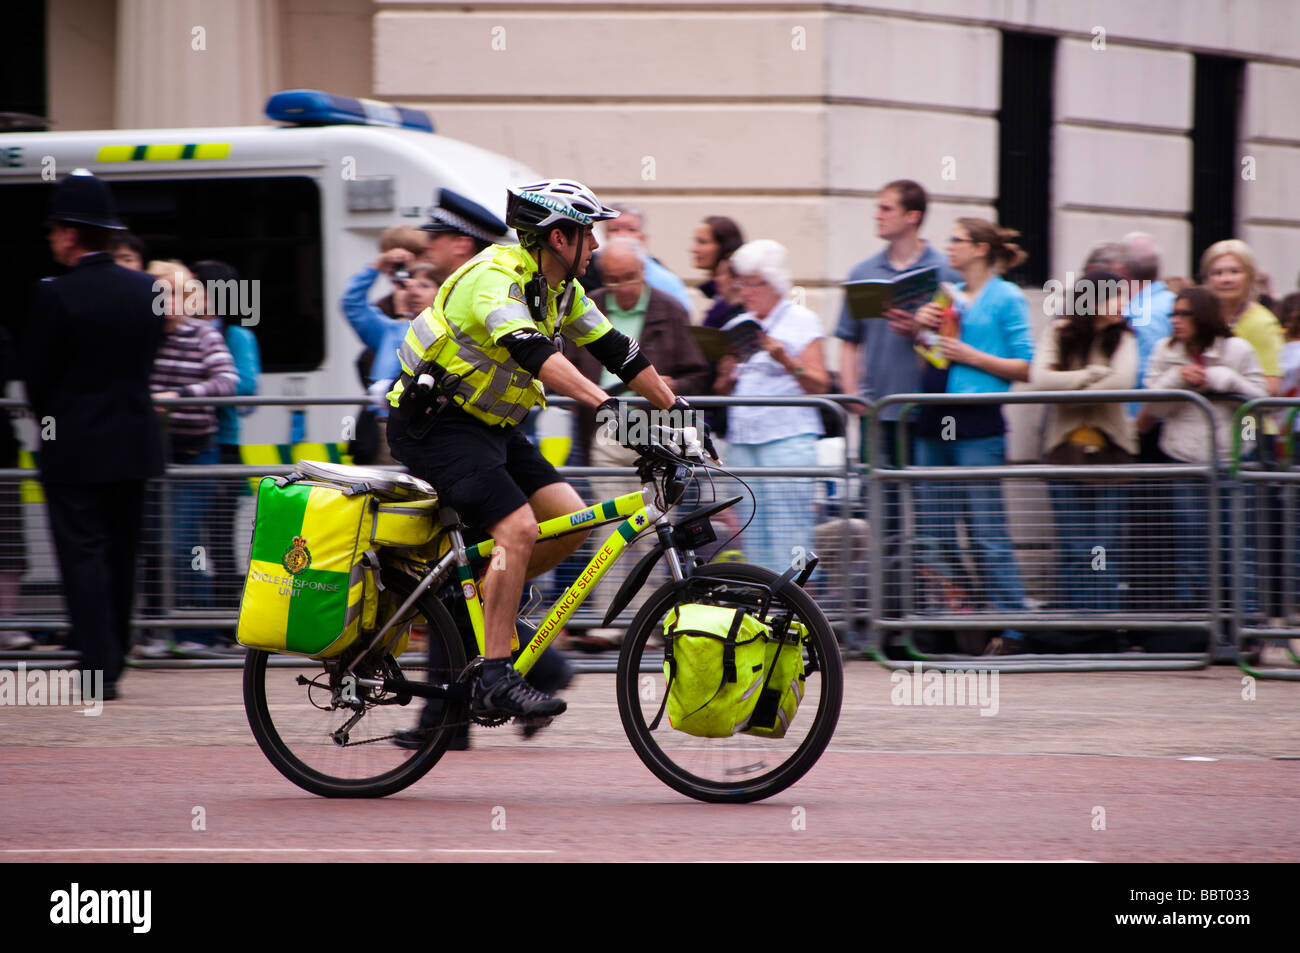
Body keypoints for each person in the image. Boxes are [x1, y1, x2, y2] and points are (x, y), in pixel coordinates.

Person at [385, 178, 687, 722]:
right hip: (435, 425)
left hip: (493, 427)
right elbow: (532, 352)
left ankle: (479, 602)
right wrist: (608, 407)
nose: (595, 246)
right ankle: (495, 677)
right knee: (518, 529)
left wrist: (678, 413)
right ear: (557, 238)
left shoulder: (561, 291)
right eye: (588, 235)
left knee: (573, 520)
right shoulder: (494, 279)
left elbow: (617, 348)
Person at [20, 170, 164, 698]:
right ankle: (117, 655)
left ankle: (98, 665)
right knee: (124, 554)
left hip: (73, 447)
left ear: (71, 233)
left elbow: (39, 378)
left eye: (55, 230)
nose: (52, 238)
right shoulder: (149, 289)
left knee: (83, 556)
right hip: (132, 440)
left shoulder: (53, 294)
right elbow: (146, 362)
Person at [561, 235, 711, 646]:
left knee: (656, 526)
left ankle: (649, 621)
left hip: (657, 430)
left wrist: (671, 385)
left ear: (643, 273)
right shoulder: (588, 303)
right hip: (608, 430)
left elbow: (700, 374)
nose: (621, 288)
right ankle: (610, 624)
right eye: (613, 279)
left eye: (628, 278)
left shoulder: (670, 309)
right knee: (611, 525)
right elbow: (567, 367)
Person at [912, 217, 1035, 655]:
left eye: (958, 240)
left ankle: (1012, 626)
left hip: (978, 422)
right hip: (932, 418)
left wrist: (972, 355)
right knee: (933, 532)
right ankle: (955, 622)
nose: (950, 247)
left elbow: (1025, 365)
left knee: (987, 531)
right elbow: (930, 354)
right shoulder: (944, 294)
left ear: (981, 248)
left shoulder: (1007, 296)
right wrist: (920, 328)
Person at [344, 191, 509, 464]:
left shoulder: (458, 320)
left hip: (437, 430)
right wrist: (377, 267)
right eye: (412, 285)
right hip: (387, 430)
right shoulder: (392, 328)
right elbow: (351, 304)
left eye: (424, 286)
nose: (414, 292)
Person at [138, 260, 239, 656]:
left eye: (178, 294)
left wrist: (178, 398)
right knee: (155, 544)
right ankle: (164, 632)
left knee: (181, 545)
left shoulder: (202, 335)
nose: (170, 302)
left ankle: (195, 633)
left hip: (196, 454)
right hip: (151, 455)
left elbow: (227, 381)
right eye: (161, 294)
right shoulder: (141, 336)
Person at [1144, 286, 1267, 610]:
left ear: (1204, 315)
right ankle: (1197, 626)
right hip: (1184, 461)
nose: (1176, 320)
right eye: (1174, 313)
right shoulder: (1163, 350)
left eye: (1185, 314)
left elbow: (1261, 404)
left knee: (1237, 544)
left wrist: (1224, 379)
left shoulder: (1237, 349)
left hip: (1233, 459)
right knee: (1192, 544)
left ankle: (1246, 623)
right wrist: (1177, 378)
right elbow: (1154, 408)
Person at [713, 239, 828, 573]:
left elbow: (821, 385)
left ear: (774, 283)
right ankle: (764, 609)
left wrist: (786, 359)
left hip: (787, 440)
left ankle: (800, 611)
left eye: (754, 283)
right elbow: (722, 391)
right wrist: (725, 377)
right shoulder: (737, 325)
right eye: (742, 283)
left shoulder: (802, 321)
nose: (746, 291)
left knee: (790, 530)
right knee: (753, 530)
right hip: (744, 442)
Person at [1028, 271, 1137, 611]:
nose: (1123, 304)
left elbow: (1121, 385)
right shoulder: (1059, 331)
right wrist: (1091, 376)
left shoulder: (1125, 339)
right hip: (1064, 451)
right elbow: (1041, 382)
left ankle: (1103, 625)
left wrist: (1068, 391)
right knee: (1075, 546)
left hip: (1112, 453)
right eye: (1116, 296)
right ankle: (1074, 626)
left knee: (1103, 546)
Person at [191, 260, 261, 607]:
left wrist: (195, 389)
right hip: (187, 443)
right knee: (183, 536)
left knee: (217, 536)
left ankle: (219, 615)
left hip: (223, 443)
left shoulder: (237, 336)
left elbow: (246, 388)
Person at [584, 205, 694, 315]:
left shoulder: (665, 280)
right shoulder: (585, 273)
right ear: (605, 236)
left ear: (643, 238)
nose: (623, 235)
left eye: (631, 230)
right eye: (614, 229)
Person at [690, 216, 745, 322]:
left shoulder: (737, 295)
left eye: (702, 242)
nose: (694, 249)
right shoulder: (716, 293)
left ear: (724, 245)